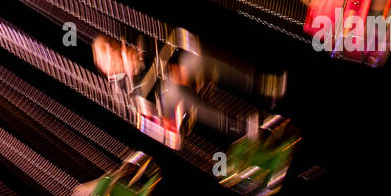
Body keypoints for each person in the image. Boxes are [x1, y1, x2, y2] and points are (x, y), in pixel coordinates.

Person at [91, 32, 286, 147]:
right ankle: (239, 129)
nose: (114, 52)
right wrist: (134, 72)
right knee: (174, 90)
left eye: (111, 46)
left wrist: (142, 57)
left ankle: (262, 86)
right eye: (106, 54)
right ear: (104, 67)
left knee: (199, 59)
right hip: (166, 114)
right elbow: (145, 110)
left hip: (176, 76)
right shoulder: (119, 89)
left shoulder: (135, 45)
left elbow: (162, 47)